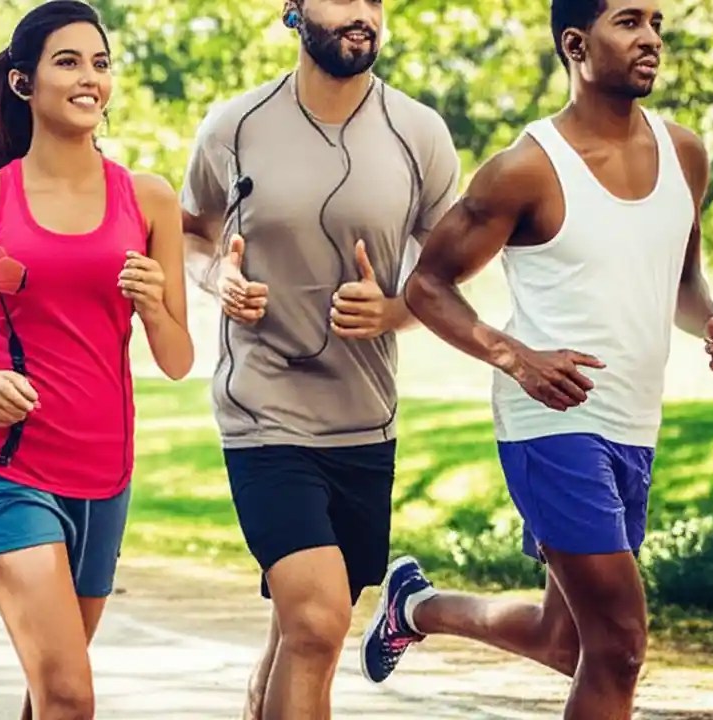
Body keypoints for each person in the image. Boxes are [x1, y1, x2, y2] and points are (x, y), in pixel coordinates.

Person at [362, 1, 713, 718]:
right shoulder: (526, 169)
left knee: (568, 642)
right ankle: (416, 607)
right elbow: (427, 286)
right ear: (575, 43)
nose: (652, 38)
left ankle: (416, 607)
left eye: (656, 21)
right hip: (551, 427)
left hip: (635, 420)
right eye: (629, 22)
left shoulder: (686, 154)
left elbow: (681, 282)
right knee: (621, 645)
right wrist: (515, 357)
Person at [0, 2, 193, 718]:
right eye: (69, 61)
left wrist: (154, 305)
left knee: (50, 692)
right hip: (10, 471)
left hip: (105, 474)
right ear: (25, 84)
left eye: (100, 62)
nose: (90, 77)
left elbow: (179, 358)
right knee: (69, 695)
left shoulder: (149, 199)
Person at [178, 0, 461, 716]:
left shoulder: (419, 133)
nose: (361, 13)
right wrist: (221, 279)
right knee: (318, 623)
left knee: (301, 633)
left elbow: (445, 271)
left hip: (365, 418)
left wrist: (395, 310)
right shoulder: (234, 126)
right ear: (293, 11)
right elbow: (192, 232)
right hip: (263, 412)